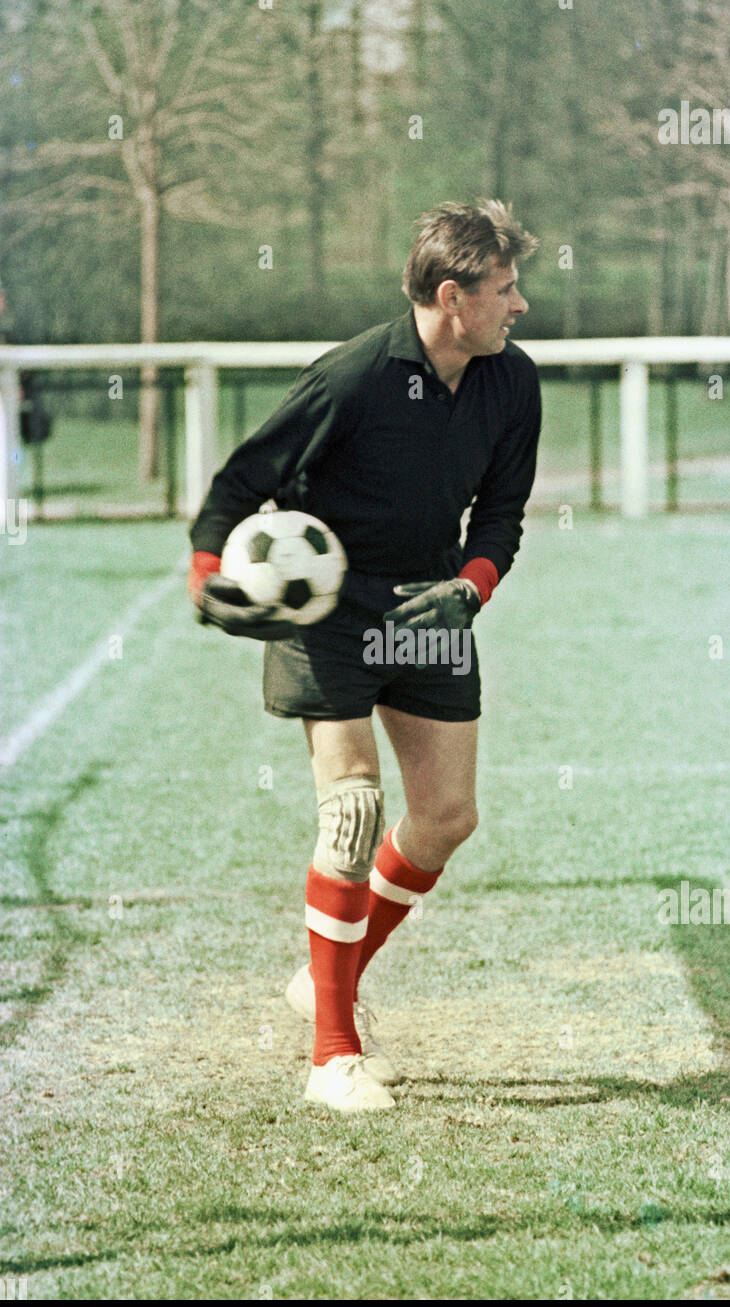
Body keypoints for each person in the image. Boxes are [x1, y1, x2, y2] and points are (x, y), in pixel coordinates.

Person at [188, 199, 542, 1112]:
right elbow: (240, 480)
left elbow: (501, 516)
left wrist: (470, 586)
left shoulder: (514, 383)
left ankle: (327, 975)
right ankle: (331, 1054)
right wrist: (206, 574)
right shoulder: (352, 377)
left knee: (446, 818)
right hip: (331, 611)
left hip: (429, 603)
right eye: (508, 288)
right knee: (351, 811)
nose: (522, 305)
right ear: (454, 296)